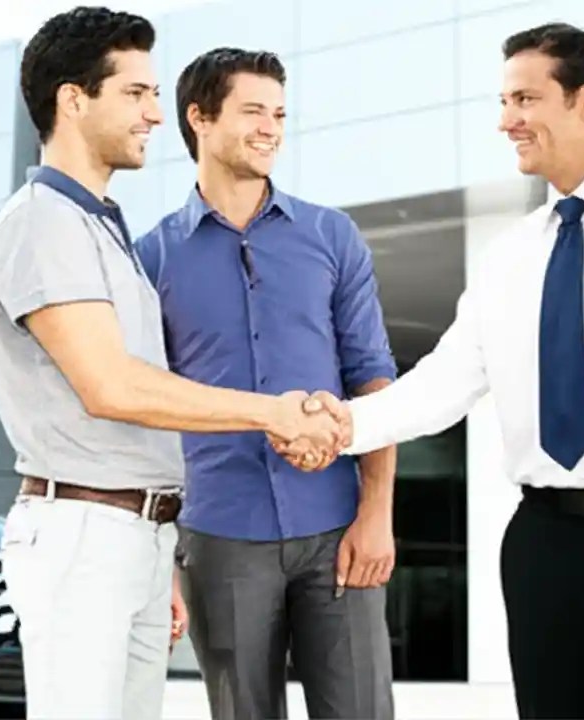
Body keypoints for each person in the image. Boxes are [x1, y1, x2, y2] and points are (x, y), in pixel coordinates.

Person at [298, 22, 584, 719]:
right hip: (545, 538)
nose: (506, 120)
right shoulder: (510, 254)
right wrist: (340, 426)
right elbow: (444, 382)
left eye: (524, 99)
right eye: (504, 101)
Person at [0, 9, 350, 719]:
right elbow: (111, 386)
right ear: (73, 99)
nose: (154, 113)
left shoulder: (100, 226)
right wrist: (272, 412)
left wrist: (162, 546)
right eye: (136, 93)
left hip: (135, 532)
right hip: (83, 534)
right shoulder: (42, 221)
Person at [135, 48, 398, 720]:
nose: (271, 129)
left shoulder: (331, 236)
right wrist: (162, 560)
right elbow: (146, 412)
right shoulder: (151, 257)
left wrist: (377, 513)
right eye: (253, 111)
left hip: (336, 527)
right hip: (218, 532)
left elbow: (372, 378)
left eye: (279, 114)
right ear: (199, 117)